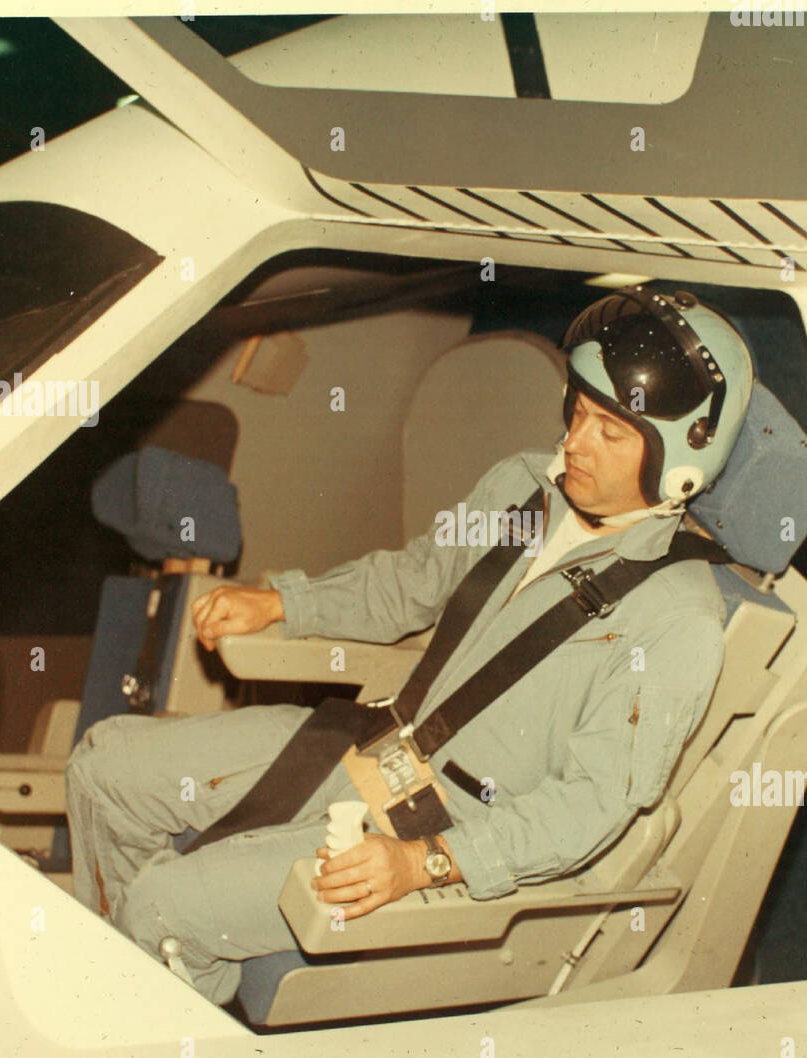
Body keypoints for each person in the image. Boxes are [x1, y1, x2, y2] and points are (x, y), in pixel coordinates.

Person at [64, 287, 756, 1008]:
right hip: (373, 742)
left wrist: (423, 862)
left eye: (611, 432)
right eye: (577, 411)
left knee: (163, 906)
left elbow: (587, 807)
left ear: (682, 461)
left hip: (452, 825)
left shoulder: (677, 619)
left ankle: (158, 986)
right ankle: (149, 977)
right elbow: (415, 581)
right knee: (101, 769)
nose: (575, 442)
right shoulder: (523, 487)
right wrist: (284, 601)